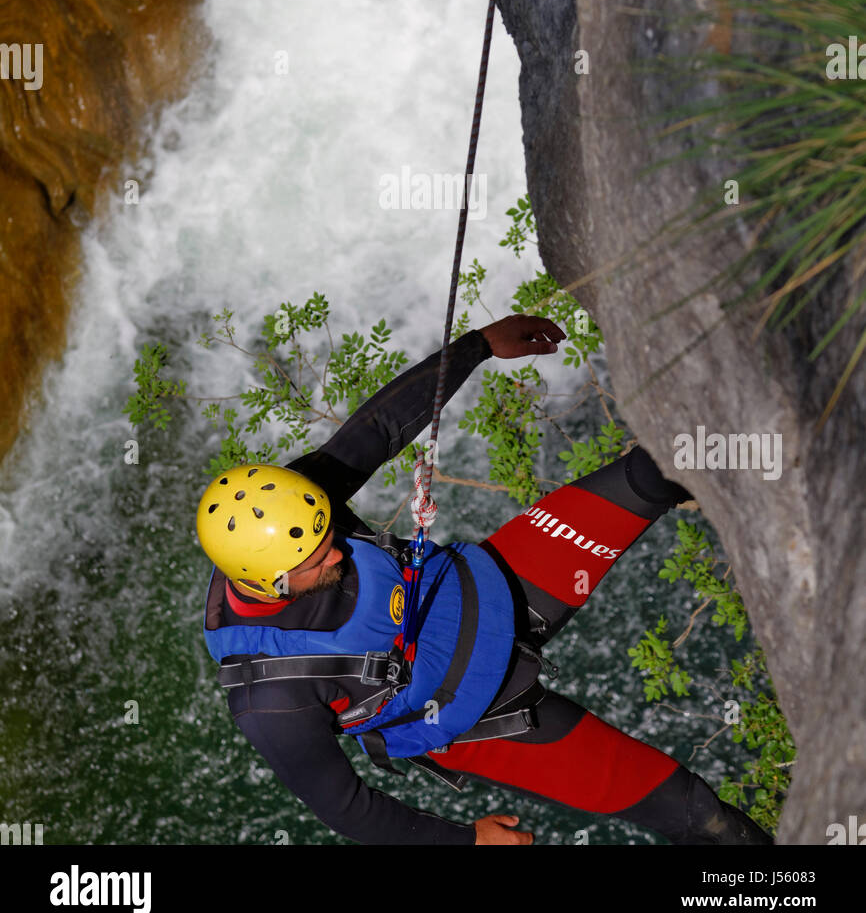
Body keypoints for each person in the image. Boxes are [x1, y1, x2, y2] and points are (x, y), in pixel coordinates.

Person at [196, 313, 773, 846]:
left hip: (489, 588)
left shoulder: (295, 508)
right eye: (316, 559)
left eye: (329, 534)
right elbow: (347, 809)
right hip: (478, 717)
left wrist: (476, 347)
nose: (337, 554)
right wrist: (468, 841)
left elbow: (376, 429)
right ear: (268, 583)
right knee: (698, 813)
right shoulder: (270, 698)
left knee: (663, 465)